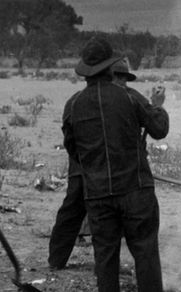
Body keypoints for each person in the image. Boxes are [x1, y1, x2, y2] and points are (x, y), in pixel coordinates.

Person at [62, 39, 169, 292]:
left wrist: (95, 167)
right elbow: (159, 129)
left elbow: (73, 151)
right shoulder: (129, 97)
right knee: (145, 254)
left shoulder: (73, 105)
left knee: (105, 259)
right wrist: (158, 106)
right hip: (136, 190)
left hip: (97, 195)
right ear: (110, 67)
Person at [47, 57, 137, 270]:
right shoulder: (79, 101)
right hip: (85, 167)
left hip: (113, 169)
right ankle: (56, 260)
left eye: (125, 78)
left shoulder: (128, 99)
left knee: (111, 216)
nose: (122, 82)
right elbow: (69, 137)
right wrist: (83, 161)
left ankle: (108, 266)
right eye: (119, 77)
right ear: (108, 76)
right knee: (73, 209)